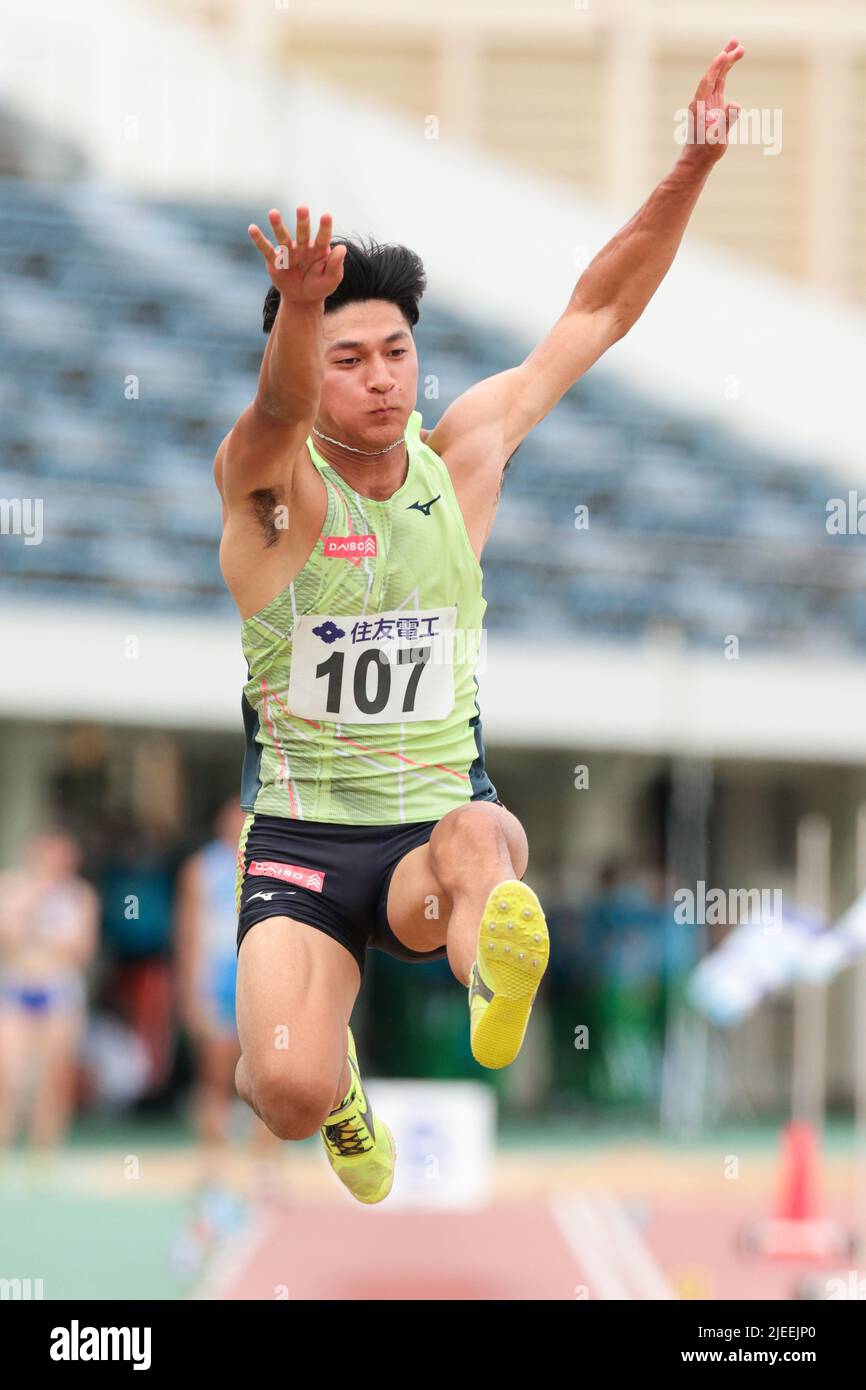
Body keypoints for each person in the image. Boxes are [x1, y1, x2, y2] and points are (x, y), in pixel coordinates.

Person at [213, 40, 744, 1203]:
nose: (380, 377)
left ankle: (490, 987)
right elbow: (271, 409)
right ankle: (336, 1087)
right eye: (346, 357)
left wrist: (691, 166)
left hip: (425, 833)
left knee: (480, 839)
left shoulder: (460, 461)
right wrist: (297, 314)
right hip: (303, 843)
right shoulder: (270, 495)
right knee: (285, 1092)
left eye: (395, 350)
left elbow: (595, 309)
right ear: (310, 357)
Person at [0, 828, 99, 1155]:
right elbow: (7, 938)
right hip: (15, 988)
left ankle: (43, 1148)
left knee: (53, 1073)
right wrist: (35, 898)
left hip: (58, 991)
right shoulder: (11, 887)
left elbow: (81, 950)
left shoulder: (81, 896)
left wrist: (41, 939)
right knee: (8, 1072)